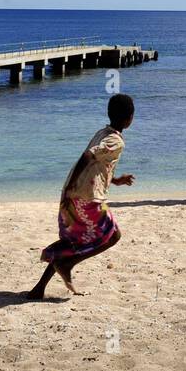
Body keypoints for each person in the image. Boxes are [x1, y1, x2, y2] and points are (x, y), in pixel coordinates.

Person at [26, 94, 135, 298]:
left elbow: (97, 166)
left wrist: (116, 180)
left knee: (71, 241)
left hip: (74, 193)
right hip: (89, 199)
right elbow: (88, 156)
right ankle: (68, 263)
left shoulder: (102, 132)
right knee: (113, 235)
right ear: (130, 118)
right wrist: (74, 186)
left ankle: (39, 288)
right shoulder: (116, 141)